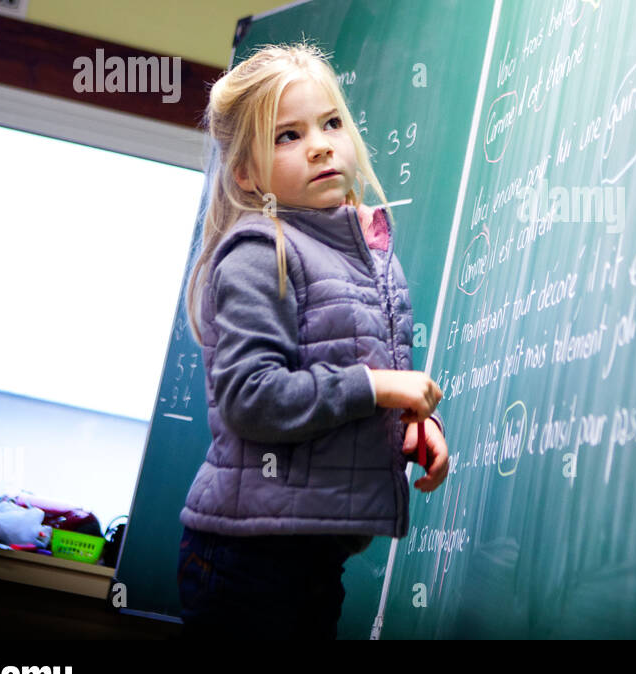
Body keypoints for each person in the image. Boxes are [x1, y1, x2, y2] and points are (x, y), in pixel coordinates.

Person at [175, 41, 448, 639]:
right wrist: (377, 388)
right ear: (246, 173)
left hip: (313, 556)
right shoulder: (259, 251)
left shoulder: (371, 257)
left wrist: (409, 425)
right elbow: (254, 397)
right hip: (248, 557)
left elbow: (366, 384)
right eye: (287, 136)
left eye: (330, 123)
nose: (321, 143)